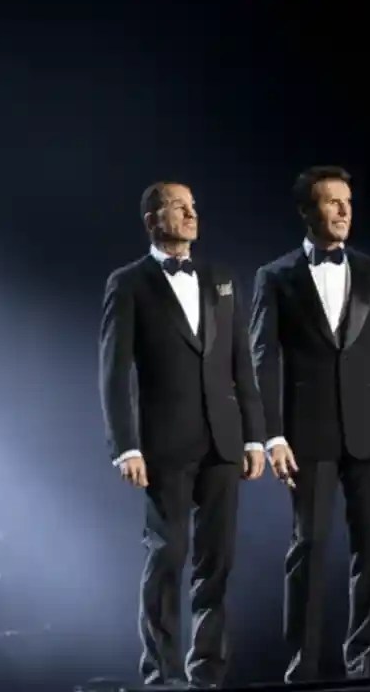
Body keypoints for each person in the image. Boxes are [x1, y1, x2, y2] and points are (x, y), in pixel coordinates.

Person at [250, 165, 370, 682]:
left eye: (347, 200)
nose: (344, 210)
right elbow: (263, 360)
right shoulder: (274, 277)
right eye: (331, 201)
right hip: (307, 434)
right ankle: (304, 667)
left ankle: (362, 663)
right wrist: (272, 434)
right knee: (310, 547)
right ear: (307, 211)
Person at [98, 181, 266, 688]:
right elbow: (113, 370)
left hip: (223, 440)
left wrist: (255, 437)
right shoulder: (129, 283)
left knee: (217, 562)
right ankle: (162, 672)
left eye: (194, 205)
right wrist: (125, 445)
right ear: (152, 219)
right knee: (168, 554)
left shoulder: (221, 278)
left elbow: (242, 362)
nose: (192, 213)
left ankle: (208, 670)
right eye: (179, 206)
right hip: (162, 443)